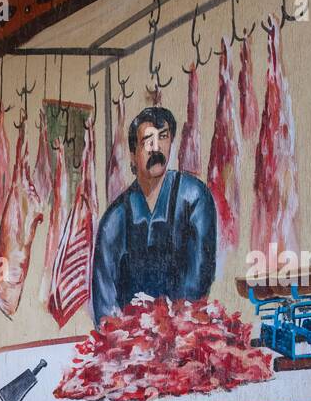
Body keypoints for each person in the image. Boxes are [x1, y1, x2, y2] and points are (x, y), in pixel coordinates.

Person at [92, 105, 218, 324]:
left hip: (185, 331)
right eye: (146, 141)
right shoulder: (115, 219)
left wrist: (171, 332)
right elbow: (105, 302)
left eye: (163, 137)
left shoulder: (194, 197)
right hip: (130, 342)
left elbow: (199, 279)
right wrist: (119, 341)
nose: (155, 147)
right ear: (132, 155)